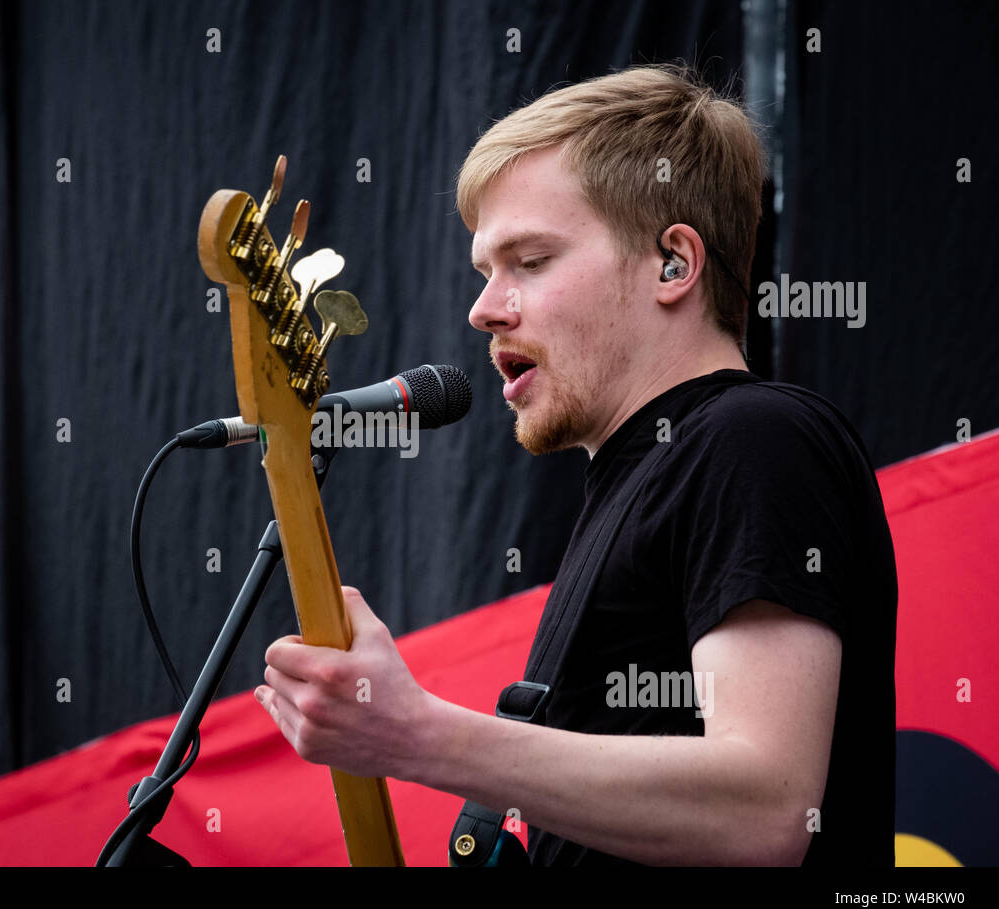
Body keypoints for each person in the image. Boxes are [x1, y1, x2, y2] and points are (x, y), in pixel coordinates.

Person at [253, 64, 898, 866]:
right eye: (485, 271)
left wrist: (417, 732)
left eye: (529, 260)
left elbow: (765, 809)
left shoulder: (754, 437)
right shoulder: (635, 484)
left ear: (673, 264)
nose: (483, 309)